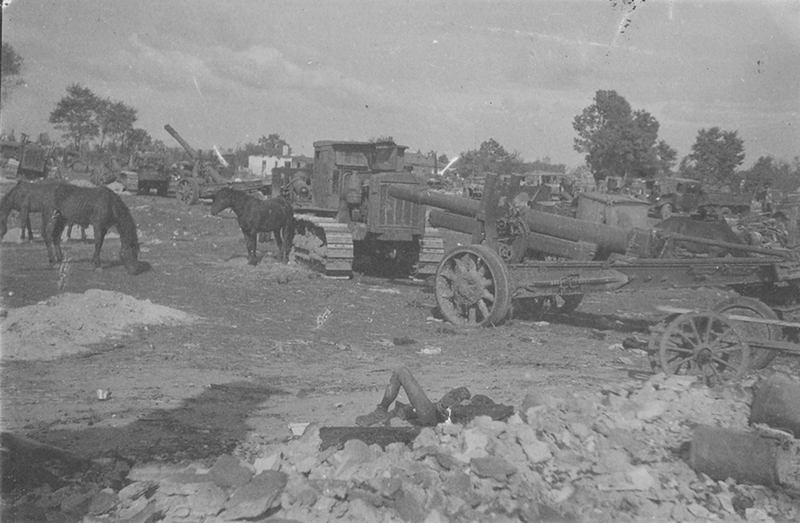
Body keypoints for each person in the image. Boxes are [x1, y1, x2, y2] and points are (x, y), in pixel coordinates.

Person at [356, 367, 471, 427]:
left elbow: (444, 412)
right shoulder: (476, 408)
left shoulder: (464, 409)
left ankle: (380, 412)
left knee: (401, 372)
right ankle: (383, 413)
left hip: (431, 416)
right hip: (434, 412)